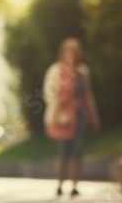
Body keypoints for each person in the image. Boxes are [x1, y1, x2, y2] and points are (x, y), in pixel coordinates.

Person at [43, 38, 101, 197]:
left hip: (80, 115)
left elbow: (88, 95)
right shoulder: (56, 70)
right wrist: (59, 101)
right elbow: (49, 93)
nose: (71, 55)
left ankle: (75, 185)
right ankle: (60, 184)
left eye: (74, 52)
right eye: (68, 52)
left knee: (78, 150)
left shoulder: (83, 71)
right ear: (62, 53)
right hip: (62, 117)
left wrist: (94, 117)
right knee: (63, 152)